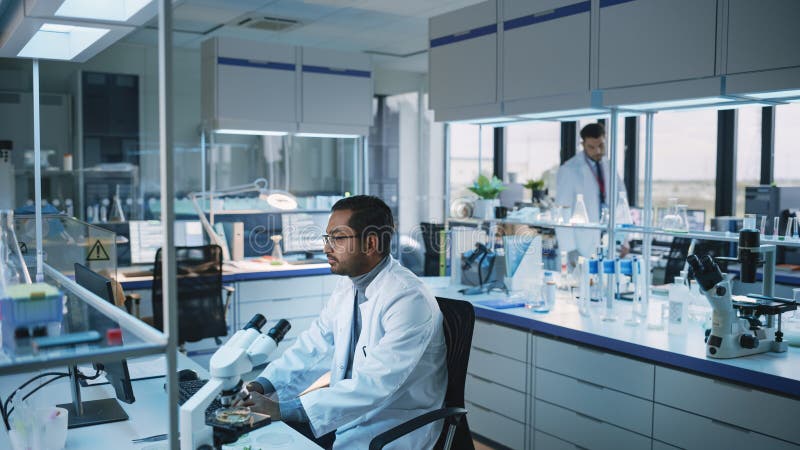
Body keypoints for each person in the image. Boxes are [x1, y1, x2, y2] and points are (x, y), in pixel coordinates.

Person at [239, 195, 447, 449]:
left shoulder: (408, 300)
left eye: (337, 238)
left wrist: (283, 409)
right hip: (347, 417)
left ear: (370, 244)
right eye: (327, 238)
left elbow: (375, 385)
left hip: (392, 427)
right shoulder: (348, 287)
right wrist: (261, 385)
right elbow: (313, 348)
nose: (326, 247)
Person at [555, 123, 628, 265]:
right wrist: (570, 249)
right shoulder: (569, 169)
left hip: (608, 238)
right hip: (581, 242)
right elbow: (562, 211)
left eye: (601, 145)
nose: (597, 151)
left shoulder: (610, 167)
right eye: (591, 147)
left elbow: (621, 203)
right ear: (583, 144)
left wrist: (624, 239)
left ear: (605, 140)